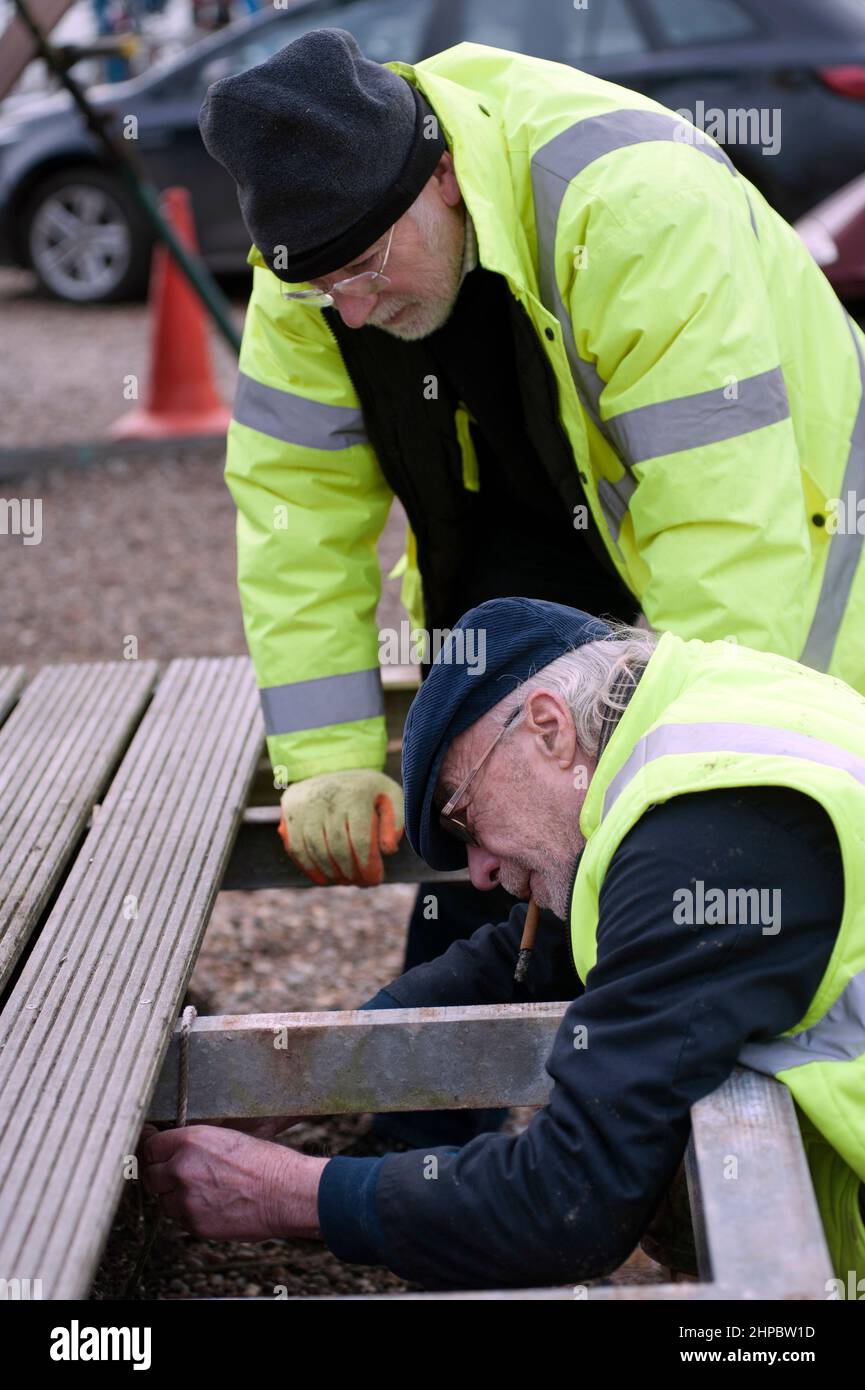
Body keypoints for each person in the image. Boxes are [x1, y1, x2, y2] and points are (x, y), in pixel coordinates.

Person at [198, 27, 865, 1146]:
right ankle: (421, 1146)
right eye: (322, 288)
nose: (348, 308)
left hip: (787, 571)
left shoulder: (635, 206)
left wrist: (693, 794)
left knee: (730, 928)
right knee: (491, 839)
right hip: (533, 555)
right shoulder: (312, 267)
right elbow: (293, 512)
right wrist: (324, 758)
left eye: (365, 272)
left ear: (445, 177)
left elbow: (726, 538)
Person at [139, 597, 865, 1291]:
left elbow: (573, 1199)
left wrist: (289, 1193)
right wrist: (283, 1073)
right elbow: (525, 961)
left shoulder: (703, 839)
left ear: (547, 727)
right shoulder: (706, 714)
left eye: (462, 813)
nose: (480, 871)